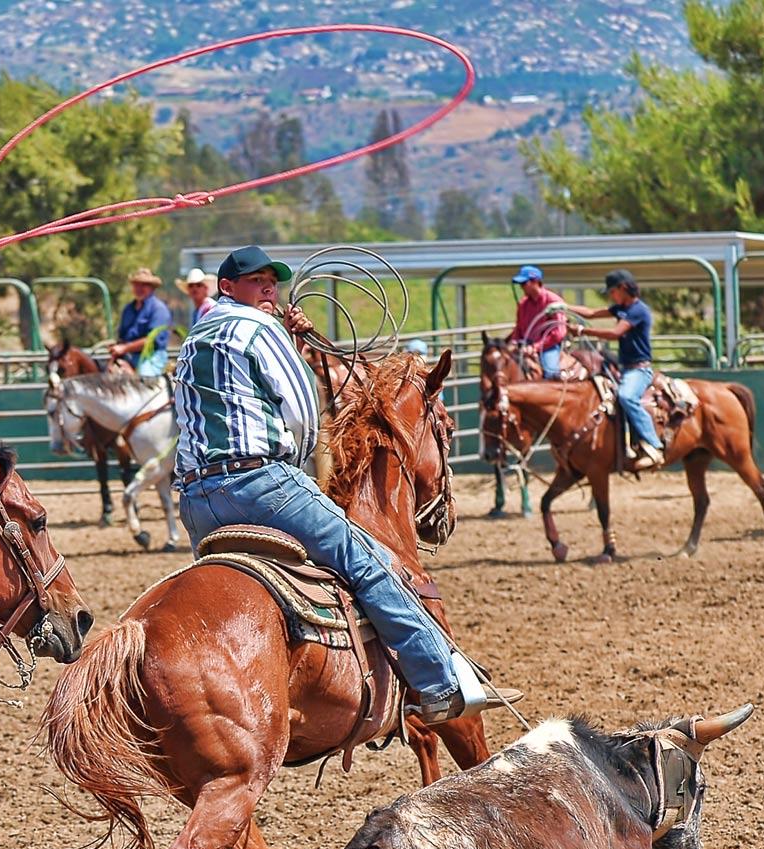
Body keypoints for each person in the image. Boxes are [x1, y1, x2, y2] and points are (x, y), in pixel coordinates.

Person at [170, 244, 510, 724]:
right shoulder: (260, 328)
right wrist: (301, 459)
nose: (269, 287)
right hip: (261, 483)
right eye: (255, 280)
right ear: (228, 287)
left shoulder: (194, 339)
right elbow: (301, 410)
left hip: (198, 502)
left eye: (272, 280)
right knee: (369, 559)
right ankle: (438, 683)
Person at [566, 269, 663, 470]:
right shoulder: (621, 308)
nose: (611, 295)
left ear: (623, 288)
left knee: (627, 397)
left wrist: (583, 331)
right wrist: (563, 307)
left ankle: (654, 446)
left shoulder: (637, 310)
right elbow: (591, 313)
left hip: (639, 370)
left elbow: (615, 333)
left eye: (612, 291)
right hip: (625, 369)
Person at [108, 267, 172, 376]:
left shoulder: (159, 309)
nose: (139, 288)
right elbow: (122, 338)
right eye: (136, 284)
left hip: (153, 356)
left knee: (144, 378)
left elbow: (152, 341)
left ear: (152, 288)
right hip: (129, 355)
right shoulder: (128, 309)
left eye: (144, 285)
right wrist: (114, 355)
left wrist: (124, 348)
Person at [509, 265, 568, 380]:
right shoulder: (523, 304)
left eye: (524, 284)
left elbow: (559, 333)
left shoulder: (553, 301)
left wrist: (535, 347)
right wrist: (514, 343)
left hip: (548, 346)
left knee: (551, 372)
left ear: (535, 281)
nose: (521, 287)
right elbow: (519, 328)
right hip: (524, 345)